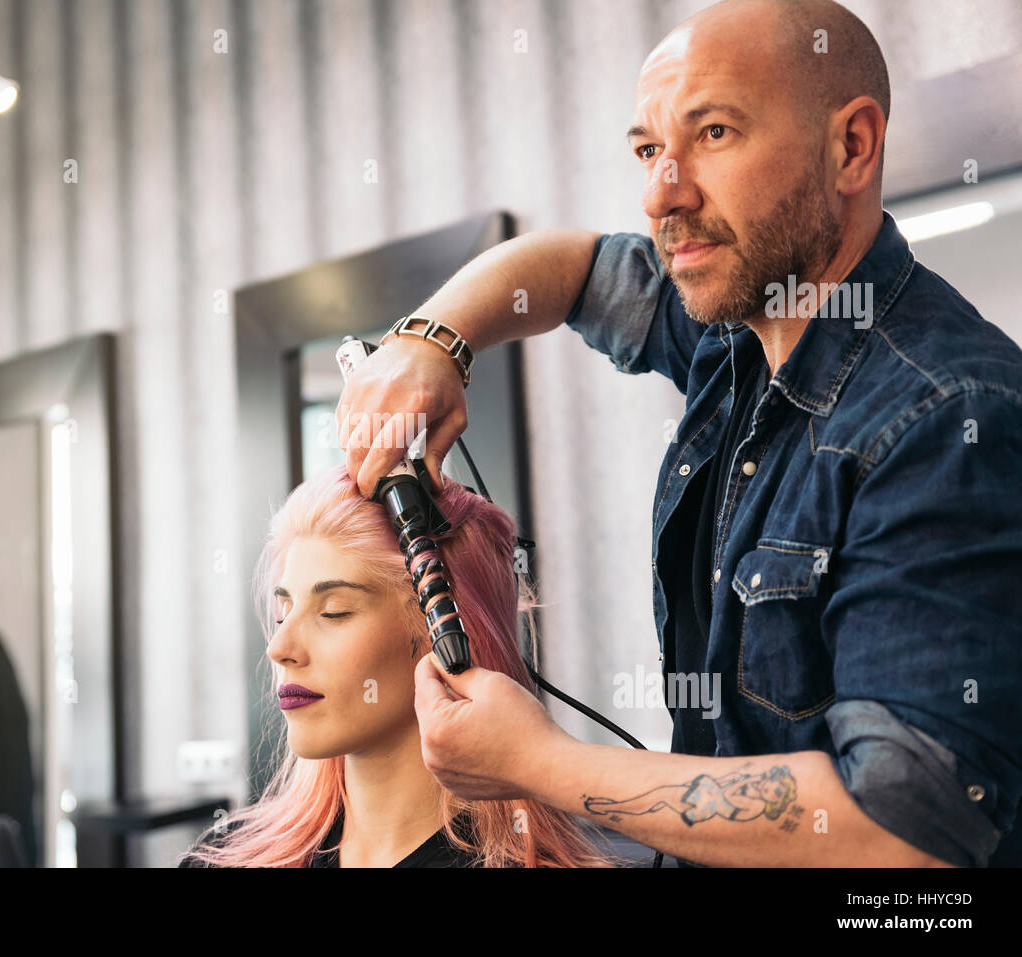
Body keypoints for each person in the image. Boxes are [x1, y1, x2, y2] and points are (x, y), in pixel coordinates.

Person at [337, 0, 1022, 867]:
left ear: (851, 147)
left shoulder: (945, 418)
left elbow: (901, 831)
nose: (664, 190)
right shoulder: (735, 331)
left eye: (715, 133)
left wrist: (536, 762)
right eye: (648, 148)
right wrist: (433, 337)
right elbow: (576, 269)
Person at [177, 463, 618, 867]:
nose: (280, 648)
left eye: (333, 611)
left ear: (442, 637)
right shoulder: (222, 859)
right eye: (282, 612)